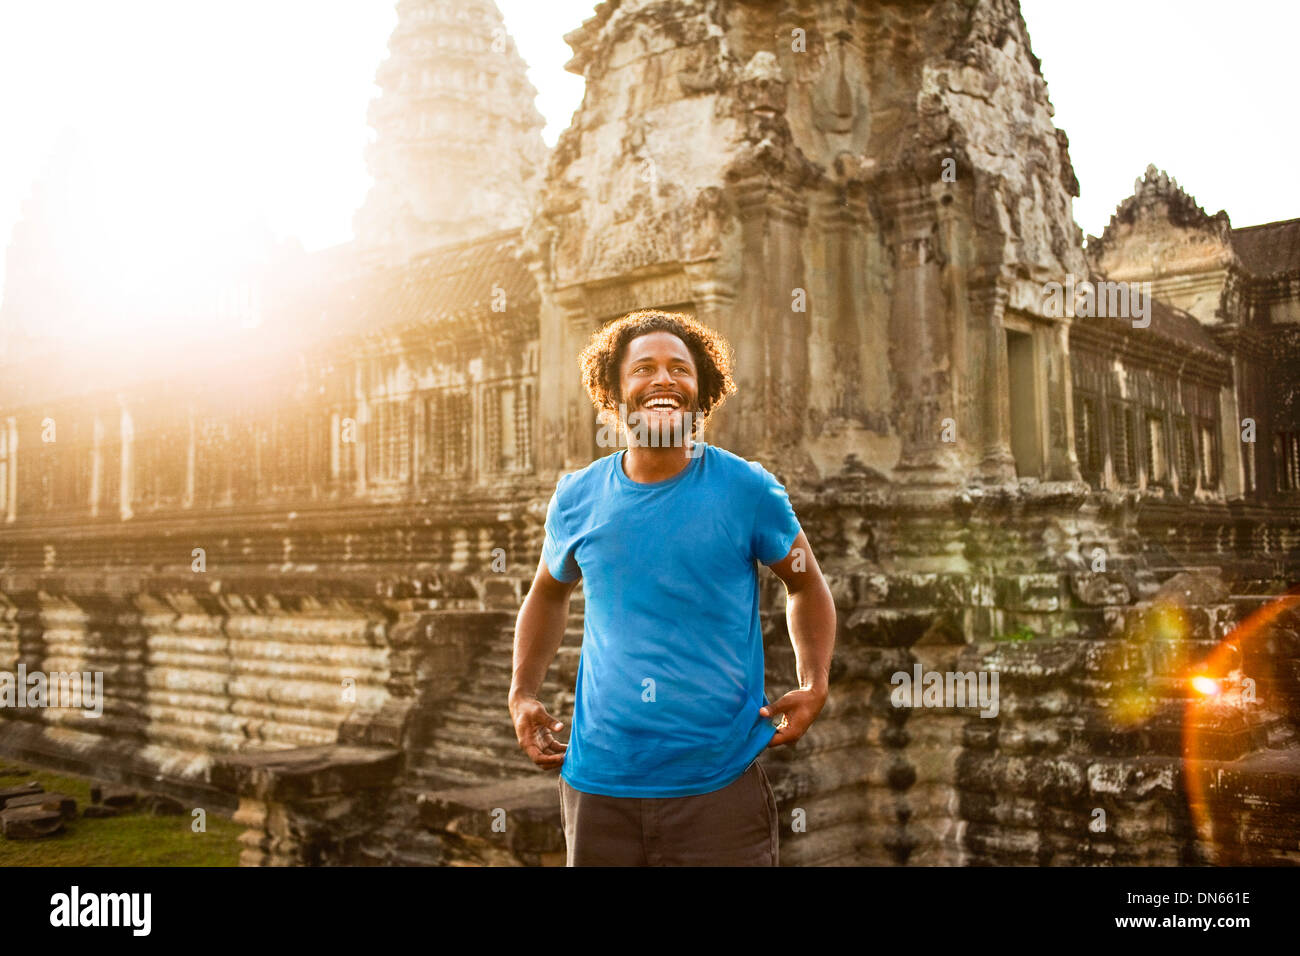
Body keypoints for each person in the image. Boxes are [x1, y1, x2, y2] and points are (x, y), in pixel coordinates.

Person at [508, 309, 836, 866]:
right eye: (643, 369)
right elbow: (547, 592)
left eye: (679, 369)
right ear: (613, 393)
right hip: (598, 782)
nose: (662, 380)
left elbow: (805, 584)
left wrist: (814, 682)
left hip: (718, 784)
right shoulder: (577, 497)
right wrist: (522, 691)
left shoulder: (746, 490)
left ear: (701, 390)